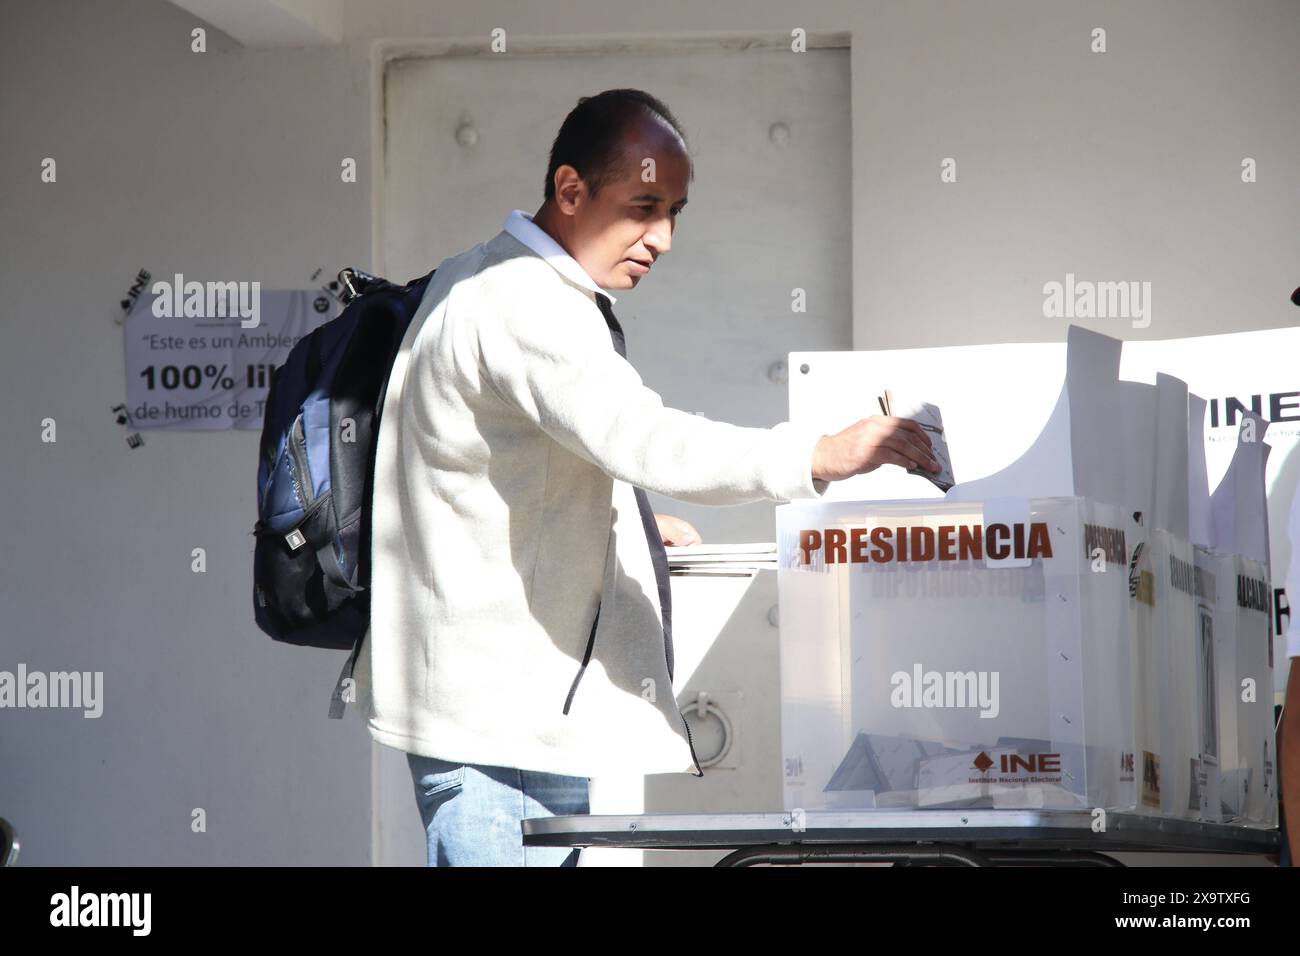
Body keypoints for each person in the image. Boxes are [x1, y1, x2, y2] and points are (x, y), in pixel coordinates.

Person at [352, 89, 938, 867]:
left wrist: (610, 524)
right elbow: (646, 439)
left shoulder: (475, 276)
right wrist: (819, 455)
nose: (662, 237)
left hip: (494, 713)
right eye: (643, 206)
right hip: (504, 727)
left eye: (676, 212)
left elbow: (489, 465)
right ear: (570, 191)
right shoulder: (526, 301)